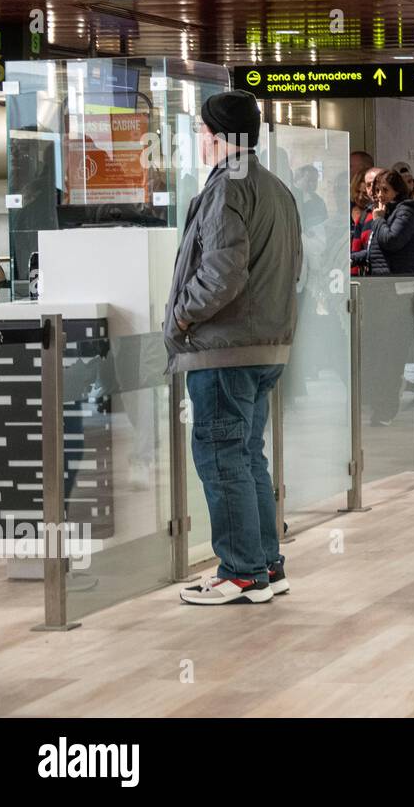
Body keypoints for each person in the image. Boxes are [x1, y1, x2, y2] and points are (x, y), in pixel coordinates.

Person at [167, 90, 302, 606]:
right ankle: (266, 565)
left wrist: (183, 315)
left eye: (201, 131)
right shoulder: (275, 187)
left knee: (222, 456)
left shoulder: (227, 190)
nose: (198, 140)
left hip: (225, 348)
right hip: (265, 346)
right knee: (246, 454)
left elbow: (222, 273)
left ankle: (241, 573)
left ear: (218, 135)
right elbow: (294, 266)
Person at [351, 168, 414, 277]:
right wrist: (354, 258)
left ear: (397, 191)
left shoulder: (407, 211)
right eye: (377, 190)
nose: (380, 195)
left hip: (401, 281)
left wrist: (379, 219)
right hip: (385, 279)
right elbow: (377, 250)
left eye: (385, 190)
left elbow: (391, 241)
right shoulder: (387, 211)